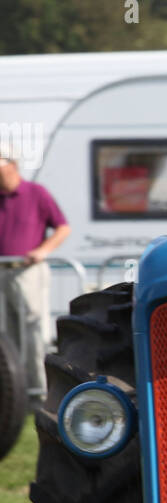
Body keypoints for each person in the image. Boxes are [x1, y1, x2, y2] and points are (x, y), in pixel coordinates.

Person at [0, 156, 71, 406]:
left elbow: (62, 227)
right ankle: (14, 393)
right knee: (7, 335)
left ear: (13, 167)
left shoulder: (36, 193)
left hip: (27, 271)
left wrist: (43, 250)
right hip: (2, 271)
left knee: (33, 332)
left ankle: (40, 392)